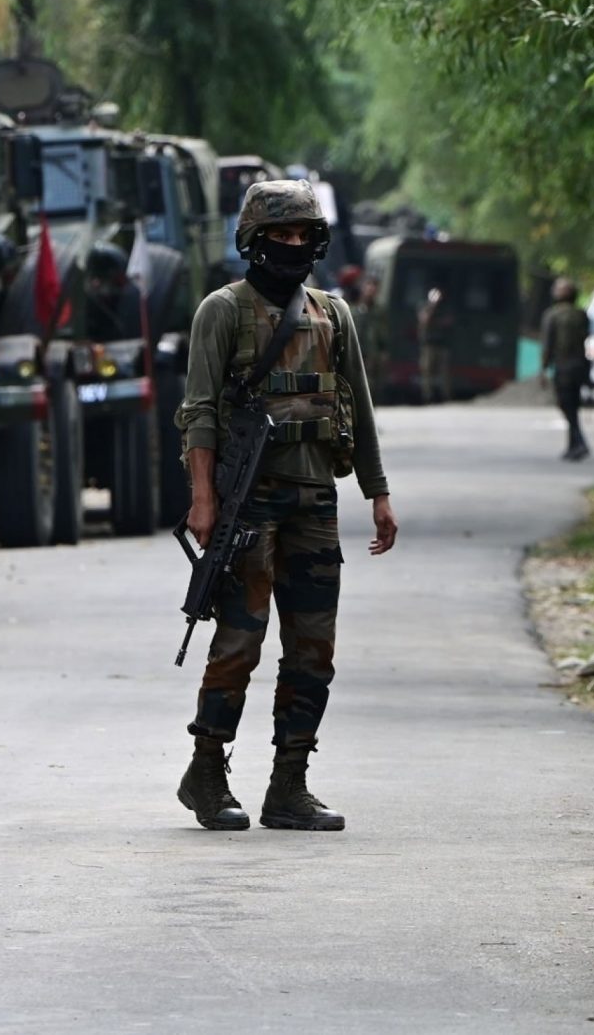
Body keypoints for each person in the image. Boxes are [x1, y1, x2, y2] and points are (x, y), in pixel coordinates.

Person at [175, 180, 400, 832]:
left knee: (313, 651)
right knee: (239, 643)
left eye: (304, 236)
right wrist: (202, 498)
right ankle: (207, 770)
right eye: (281, 235)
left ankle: (289, 785)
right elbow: (200, 412)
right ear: (254, 239)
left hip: (313, 505)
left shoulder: (333, 314)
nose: (294, 246)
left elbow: (357, 401)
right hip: (245, 509)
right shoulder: (222, 311)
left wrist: (377, 492)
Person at [540, 277, 592, 460]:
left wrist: (543, 370)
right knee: (573, 405)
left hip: (563, 367)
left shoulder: (552, 315)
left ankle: (580, 442)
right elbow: (586, 336)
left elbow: (548, 345)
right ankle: (573, 445)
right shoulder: (581, 314)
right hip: (579, 365)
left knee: (566, 405)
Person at [416, 286, 453, 403]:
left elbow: (448, 322)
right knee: (426, 370)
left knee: (444, 371)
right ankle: (427, 396)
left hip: (442, 344)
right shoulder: (424, 306)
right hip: (428, 344)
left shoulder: (445, 308)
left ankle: (445, 396)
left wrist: (439, 322)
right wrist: (431, 306)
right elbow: (424, 320)